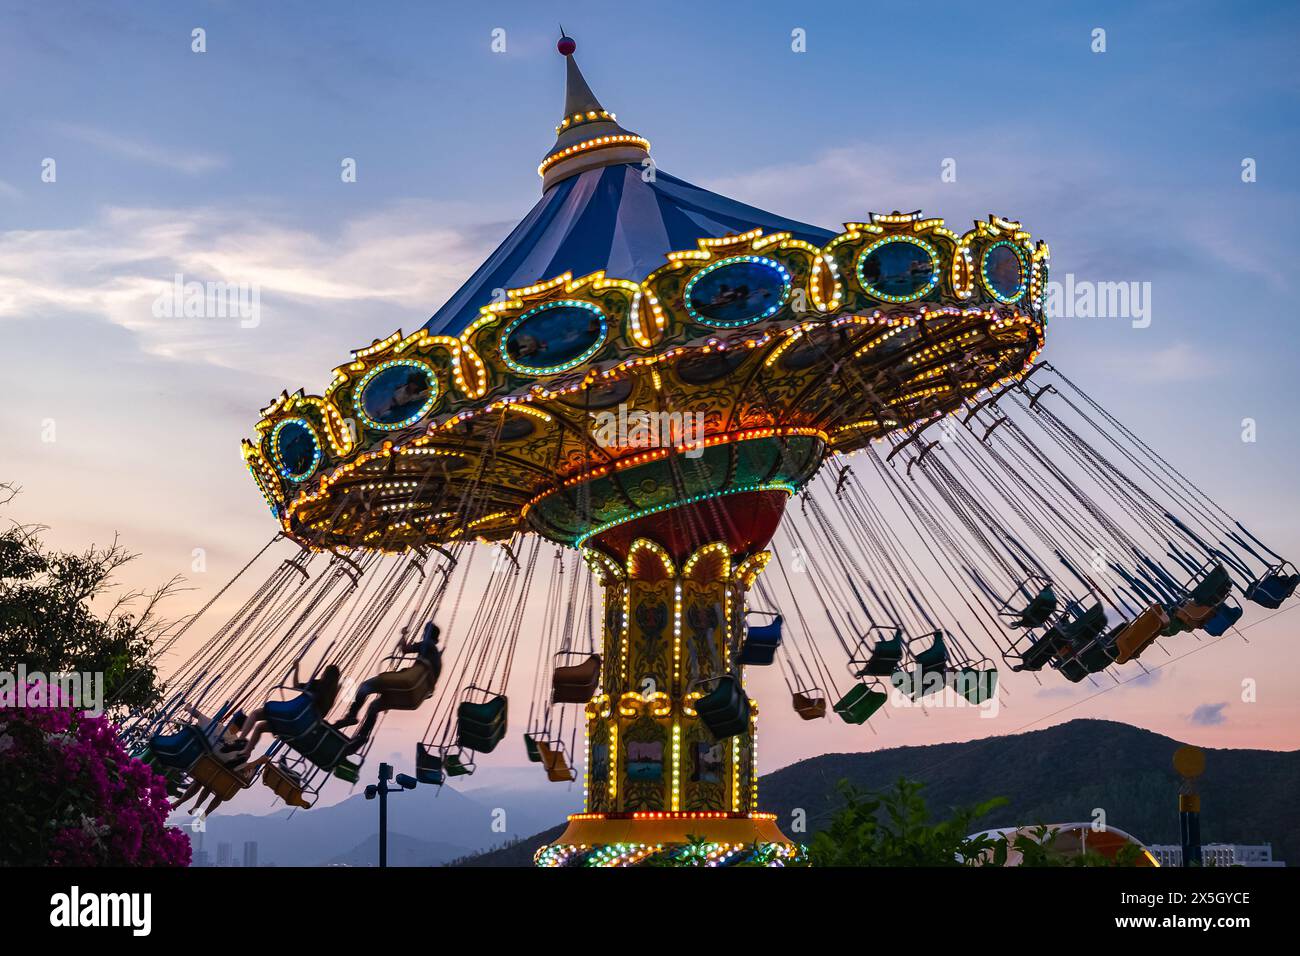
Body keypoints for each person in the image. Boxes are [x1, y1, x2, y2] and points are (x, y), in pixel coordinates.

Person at [335, 621, 441, 753]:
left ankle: (352, 715)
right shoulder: (436, 657)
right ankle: (362, 737)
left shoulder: (427, 644)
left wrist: (403, 635)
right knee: (374, 707)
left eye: (424, 632)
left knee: (364, 687)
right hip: (413, 697)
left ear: (427, 634)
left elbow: (405, 649)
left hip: (407, 682)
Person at [238, 660, 342, 754]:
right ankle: (245, 754)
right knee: (260, 727)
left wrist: (296, 668)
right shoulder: (329, 701)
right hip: (298, 730)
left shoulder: (317, 684)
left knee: (256, 714)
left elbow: (296, 685)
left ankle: (240, 740)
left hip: (291, 718)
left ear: (325, 674)